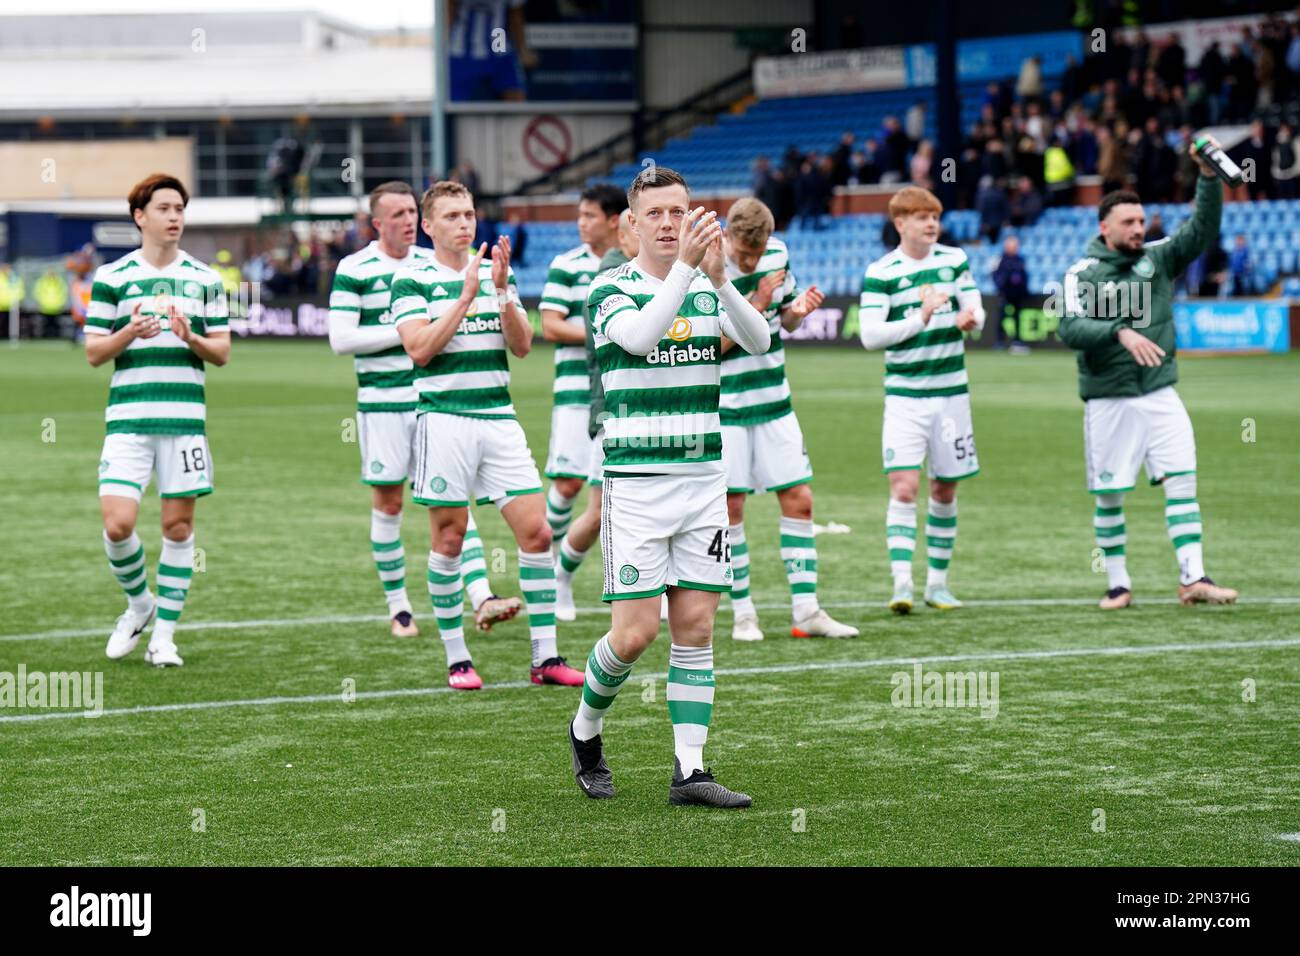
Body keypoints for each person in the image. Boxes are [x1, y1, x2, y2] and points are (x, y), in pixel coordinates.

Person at [567, 166, 771, 807]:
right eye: (654, 213)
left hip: (704, 481)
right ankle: (585, 732)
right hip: (636, 483)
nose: (667, 223)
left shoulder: (706, 286)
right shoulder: (610, 291)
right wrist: (686, 273)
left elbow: (760, 340)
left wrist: (718, 280)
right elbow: (637, 338)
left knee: (696, 627)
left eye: (678, 211)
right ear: (631, 222)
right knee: (634, 636)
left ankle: (690, 769)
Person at [392, 181, 584, 689]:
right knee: (450, 538)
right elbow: (419, 350)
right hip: (444, 419)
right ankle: (458, 659)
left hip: (499, 417)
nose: (464, 223)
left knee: (538, 533)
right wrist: (465, 298)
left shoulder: (500, 271)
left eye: (469, 214)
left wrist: (499, 291)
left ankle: (545, 658)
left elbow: (522, 346)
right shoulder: (411, 280)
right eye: (452, 216)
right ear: (428, 226)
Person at [328, 181, 520, 640]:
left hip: (436, 401)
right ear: (377, 223)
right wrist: (414, 331)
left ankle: (481, 597)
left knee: (454, 501)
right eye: (397, 214)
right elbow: (341, 339)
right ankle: (399, 607)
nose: (408, 220)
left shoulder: (434, 263)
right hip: (382, 403)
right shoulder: (355, 268)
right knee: (389, 501)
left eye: (413, 211)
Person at [1059, 138, 1238, 610]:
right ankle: (1117, 584)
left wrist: (1207, 177)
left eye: (1141, 221)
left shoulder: (1156, 258)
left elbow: (1202, 229)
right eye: (1129, 223)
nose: (1139, 229)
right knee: (1111, 495)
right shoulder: (1082, 274)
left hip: (1160, 392)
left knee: (1182, 481)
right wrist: (1119, 331)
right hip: (1109, 397)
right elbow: (1069, 325)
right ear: (1105, 227)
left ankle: (1193, 577)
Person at [86, 173, 230, 667]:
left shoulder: (206, 279)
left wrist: (191, 337)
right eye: (165, 209)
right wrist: (128, 331)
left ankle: (163, 636)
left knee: (178, 529)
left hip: (184, 421)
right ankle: (140, 604)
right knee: (118, 524)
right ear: (140, 216)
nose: (174, 218)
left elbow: (223, 352)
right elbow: (93, 353)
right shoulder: (112, 277)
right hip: (128, 420)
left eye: (180, 209)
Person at [718, 198, 857, 642]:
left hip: (775, 397)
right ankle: (743, 613)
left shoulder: (777, 252)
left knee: (799, 499)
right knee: (730, 507)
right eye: (744, 253)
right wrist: (756, 301)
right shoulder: (705, 266)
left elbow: (786, 323)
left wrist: (796, 312)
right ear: (728, 237)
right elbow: (709, 348)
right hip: (725, 406)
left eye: (756, 254)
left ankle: (806, 610)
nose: (751, 260)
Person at [859, 187, 984, 614]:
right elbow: (871, 335)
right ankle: (902, 585)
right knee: (905, 487)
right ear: (900, 224)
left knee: (944, 489)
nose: (931, 224)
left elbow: (976, 309)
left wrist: (972, 320)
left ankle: (938, 584)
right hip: (905, 398)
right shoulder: (882, 271)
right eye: (921, 217)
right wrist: (921, 318)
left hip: (951, 397)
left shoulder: (954, 260)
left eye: (935, 216)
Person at [554, 208, 639, 622]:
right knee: (599, 510)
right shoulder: (609, 280)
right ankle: (561, 576)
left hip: (648, 412)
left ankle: (649, 592)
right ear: (624, 236)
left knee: (644, 505)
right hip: (613, 410)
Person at [538, 185, 627, 551]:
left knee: (614, 490)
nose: (581, 223)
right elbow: (549, 325)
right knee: (568, 484)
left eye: (589, 215)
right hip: (574, 391)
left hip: (618, 391)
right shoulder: (567, 265)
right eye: (580, 215)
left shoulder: (633, 264)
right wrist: (606, 333)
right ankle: (545, 557)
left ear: (614, 220)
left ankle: (563, 570)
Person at [991, 234, 1029, 353]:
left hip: (1017, 295)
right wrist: (1001, 287)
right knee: (1001, 318)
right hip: (1004, 294)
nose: (1013, 248)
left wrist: (1023, 288)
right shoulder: (1000, 259)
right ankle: (1000, 342)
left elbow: (1025, 276)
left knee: (1017, 318)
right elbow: (994, 275)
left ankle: (1017, 341)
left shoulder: (1020, 260)